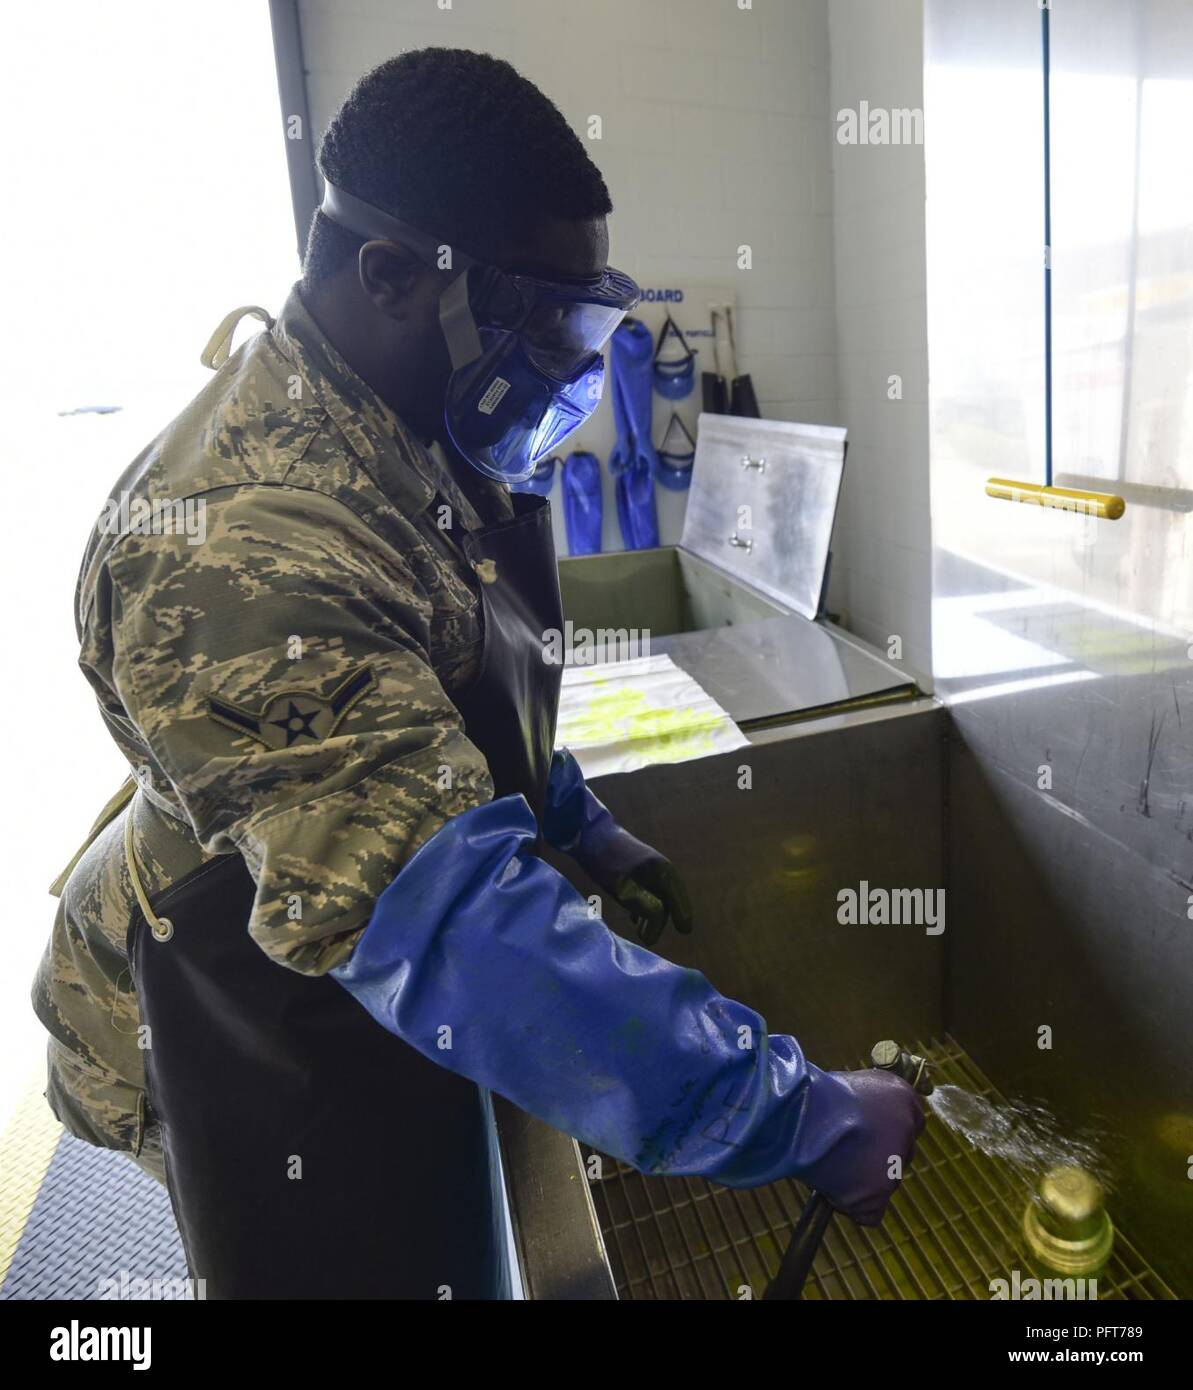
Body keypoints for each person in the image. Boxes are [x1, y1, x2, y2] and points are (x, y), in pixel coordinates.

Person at [33, 47, 923, 1299]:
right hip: (239, 1016)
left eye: (581, 323)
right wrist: (799, 1111)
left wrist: (573, 814)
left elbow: (438, 672)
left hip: (348, 940)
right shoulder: (242, 544)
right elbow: (464, 940)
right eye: (536, 323)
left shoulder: (400, 413)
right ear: (392, 277)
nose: (561, 367)